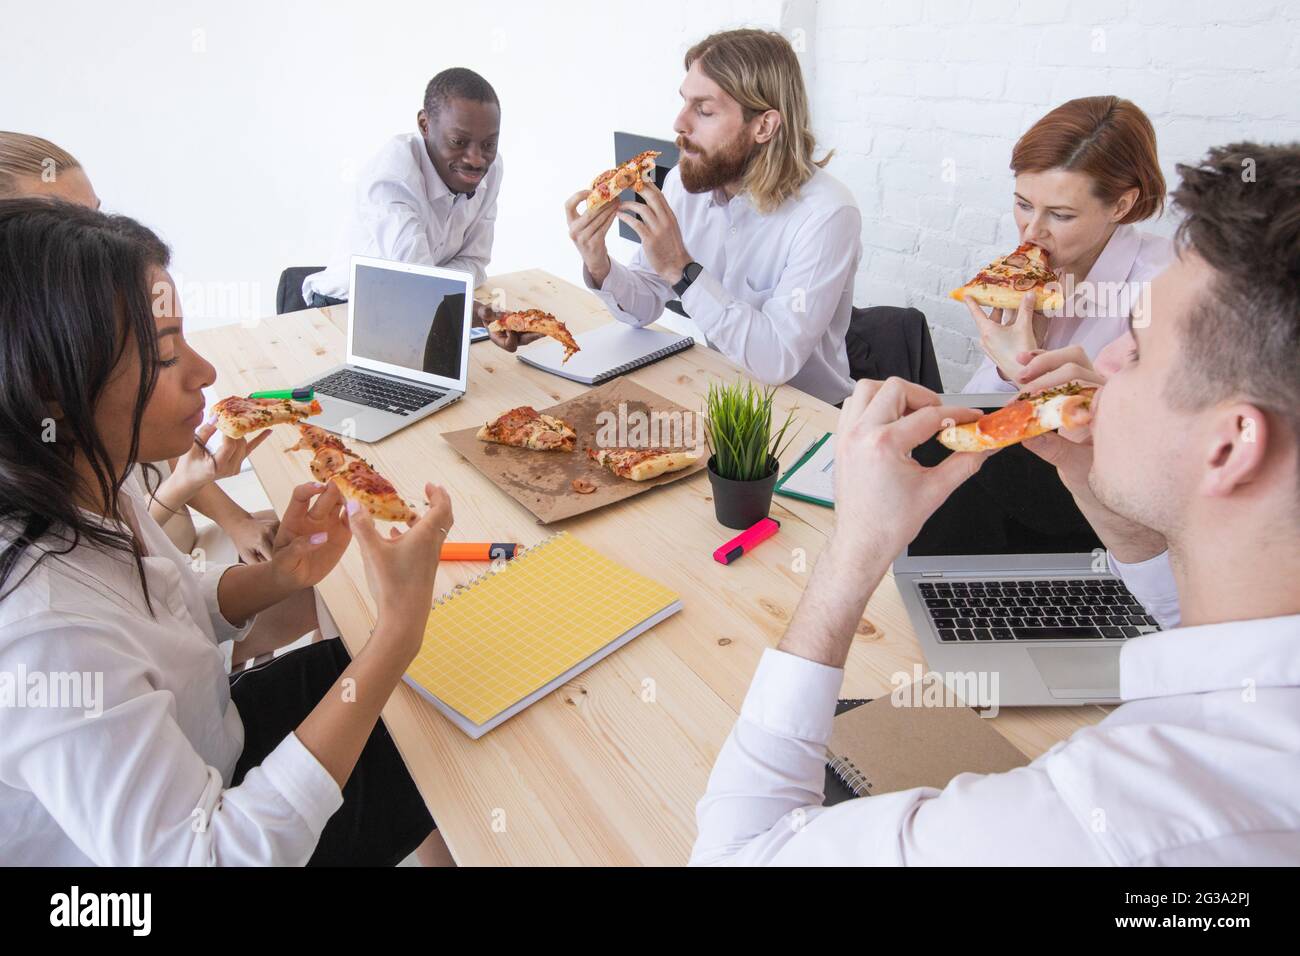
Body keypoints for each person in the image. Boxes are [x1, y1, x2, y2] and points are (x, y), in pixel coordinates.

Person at [691, 142, 1300, 865]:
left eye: (1134, 350)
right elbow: (1189, 616)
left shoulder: (1109, 825)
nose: (1102, 363)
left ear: (1230, 446)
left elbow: (736, 853)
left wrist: (853, 552)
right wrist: (1086, 476)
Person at [0, 199, 455, 865]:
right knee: (421, 724)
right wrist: (395, 634)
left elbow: (170, 607)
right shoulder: (45, 633)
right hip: (214, 836)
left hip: (210, 736)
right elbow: (211, 856)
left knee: (433, 696)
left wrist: (280, 575)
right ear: (53, 393)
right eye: (163, 353)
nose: (204, 371)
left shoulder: (86, 479)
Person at [0, 131, 317, 667]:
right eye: (61, 229)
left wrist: (247, 533)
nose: (95, 244)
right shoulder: (49, 624)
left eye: (95, 218)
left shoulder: (96, 456)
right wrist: (393, 640)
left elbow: (175, 595)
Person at [565, 29, 861, 407]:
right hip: (723, 395)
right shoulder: (683, 184)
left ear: (764, 126)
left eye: (704, 110)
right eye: (685, 103)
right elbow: (644, 306)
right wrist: (600, 265)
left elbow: (777, 359)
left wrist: (682, 270)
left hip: (809, 415)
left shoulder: (827, 214)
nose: (679, 123)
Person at [302, 70, 534, 352]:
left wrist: (456, 301)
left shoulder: (492, 168)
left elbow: (474, 262)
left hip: (416, 309)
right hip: (342, 310)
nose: (476, 160)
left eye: (488, 144)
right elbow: (418, 284)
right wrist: (483, 316)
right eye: (458, 142)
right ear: (425, 125)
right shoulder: (392, 179)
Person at [962, 96, 1174, 393]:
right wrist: (1008, 367)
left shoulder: (1166, 293)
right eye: (1024, 205)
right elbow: (976, 406)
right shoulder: (1034, 277)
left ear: (1121, 206)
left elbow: (1142, 431)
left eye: (1060, 215)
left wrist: (1024, 372)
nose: (1031, 232)